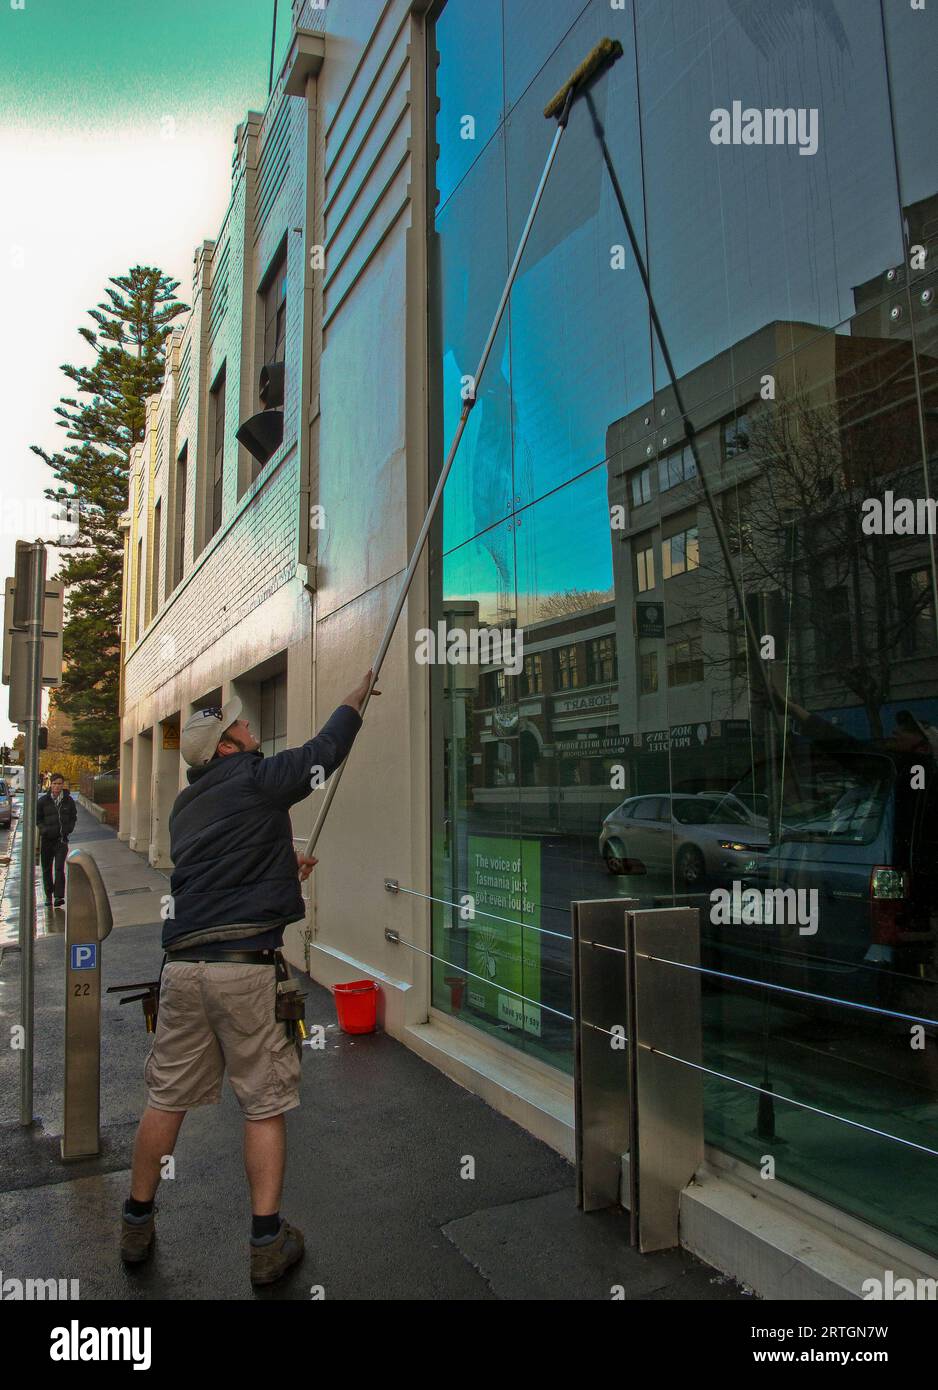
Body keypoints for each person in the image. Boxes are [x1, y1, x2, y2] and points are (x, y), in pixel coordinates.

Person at [120, 670, 379, 1285]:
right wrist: (354, 697)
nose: (246, 724)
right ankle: (267, 1243)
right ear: (227, 749)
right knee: (263, 1104)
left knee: (167, 1098)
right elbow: (323, 755)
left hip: (182, 970)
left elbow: (219, 871)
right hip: (244, 969)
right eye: (238, 724)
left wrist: (282, 868)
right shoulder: (255, 778)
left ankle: (135, 1223)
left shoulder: (186, 808)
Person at [37, 772, 77, 908]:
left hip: (61, 840)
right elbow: (38, 819)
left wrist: (68, 829)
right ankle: (48, 895)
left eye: (59, 784)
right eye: (54, 784)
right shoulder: (43, 801)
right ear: (51, 785)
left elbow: (73, 817)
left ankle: (59, 896)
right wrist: (44, 830)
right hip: (47, 841)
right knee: (46, 869)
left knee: (59, 868)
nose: (57, 786)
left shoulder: (68, 800)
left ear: (63, 785)